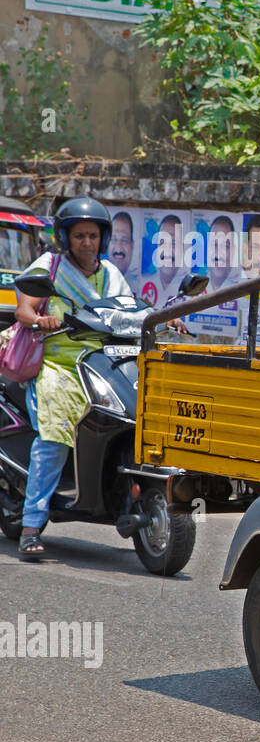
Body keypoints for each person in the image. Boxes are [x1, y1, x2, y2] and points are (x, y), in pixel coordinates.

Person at [13, 197, 132, 558]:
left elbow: (129, 310)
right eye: (79, 235)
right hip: (58, 365)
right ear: (65, 237)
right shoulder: (49, 267)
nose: (86, 242)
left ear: (103, 238)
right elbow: (23, 309)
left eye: (93, 235)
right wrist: (40, 320)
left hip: (101, 362)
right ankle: (31, 525)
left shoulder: (110, 274)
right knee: (53, 439)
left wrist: (167, 318)